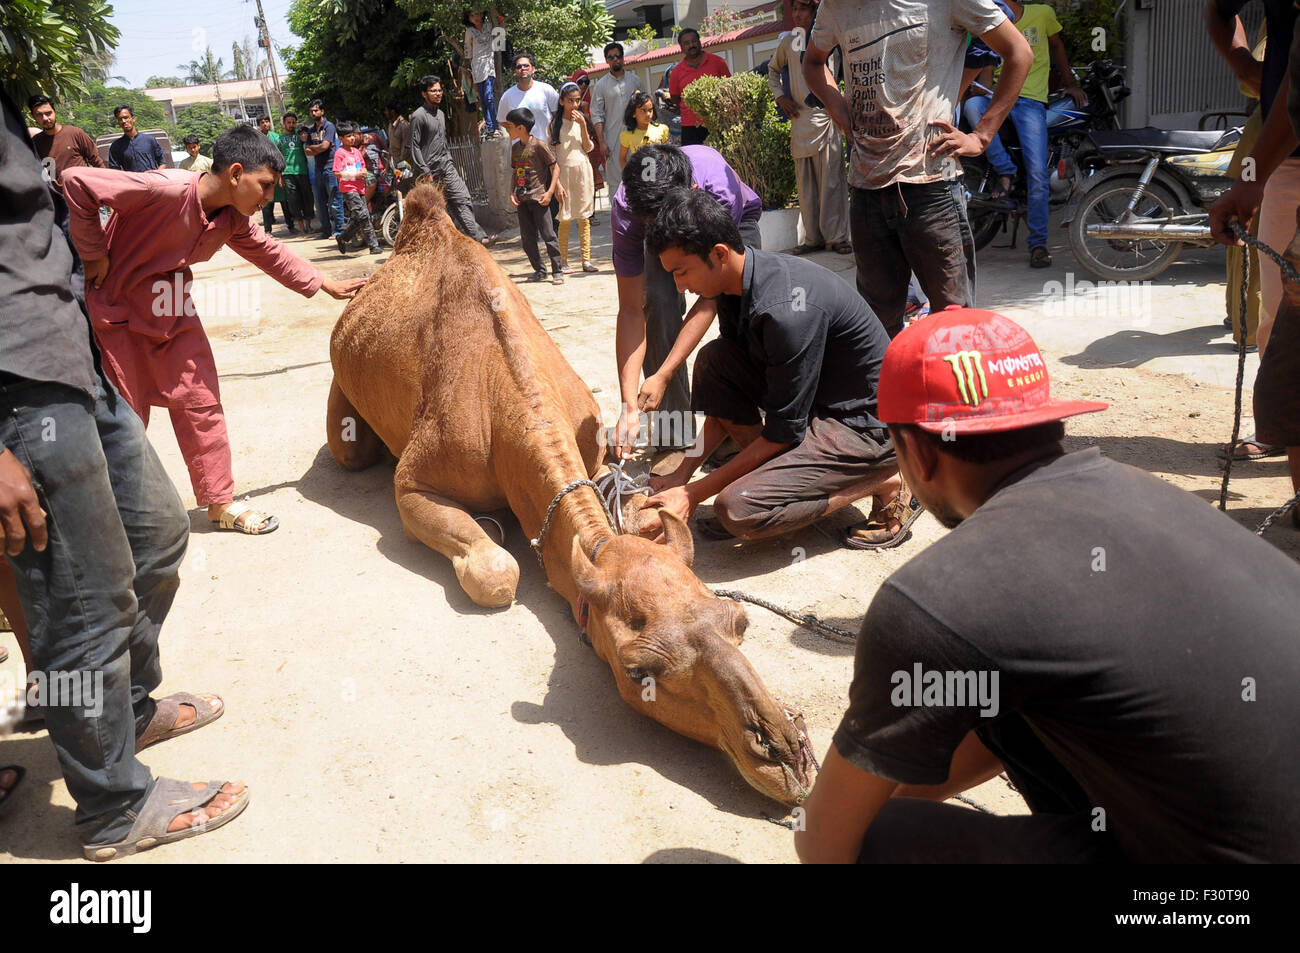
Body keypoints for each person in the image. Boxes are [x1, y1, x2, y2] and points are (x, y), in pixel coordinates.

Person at [793, 306, 1300, 863]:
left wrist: (855, 814)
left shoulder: (945, 596)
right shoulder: (1147, 497)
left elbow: (823, 847)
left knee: (879, 842)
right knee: (1003, 695)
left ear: (915, 451)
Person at [1, 86, 249, 860]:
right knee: (85, 599)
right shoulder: (164, 186)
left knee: (158, 533)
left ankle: (129, 707)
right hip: (17, 384)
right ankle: (113, 805)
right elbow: (80, 188)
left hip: (70, 349)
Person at [61, 124, 367, 537]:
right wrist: (93, 251)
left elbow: (269, 250)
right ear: (236, 173)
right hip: (115, 309)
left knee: (201, 400)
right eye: (265, 186)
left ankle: (219, 502)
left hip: (170, 306)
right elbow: (76, 180)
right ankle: (112, 515)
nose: (269, 198)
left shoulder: (232, 219)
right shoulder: (163, 188)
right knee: (128, 415)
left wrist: (323, 283)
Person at [637, 189, 914, 547]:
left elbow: (782, 432)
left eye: (681, 271)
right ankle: (777, 483)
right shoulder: (735, 287)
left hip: (867, 426)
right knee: (715, 360)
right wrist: (683, 474)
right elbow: (727, 398)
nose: (680, 286)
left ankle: (887, 479)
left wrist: (695, 494)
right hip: (815, 406)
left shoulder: (785, 310)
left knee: (736, 509)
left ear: (719, 254)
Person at [803, 0, 1032, 337]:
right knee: (876, 326)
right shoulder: (835, 7)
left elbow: (1019, 52)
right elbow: (812, 62)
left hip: (932, 186)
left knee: (954, 324)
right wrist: (838, 107)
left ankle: (953, 392)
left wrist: (981, 135)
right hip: (866, 189)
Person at [611, 143, 762, 459]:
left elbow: (711, 298)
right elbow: (630, 310)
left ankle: (738, 429)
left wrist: (663, 373)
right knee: (658, 302)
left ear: (692, 190)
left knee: (739, 318)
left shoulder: (719, 190)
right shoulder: (629, 208)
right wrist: (628, 406)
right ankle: (674, 436)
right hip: (664, 221)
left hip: (726, 222)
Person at [1210, 13, 1300, 531]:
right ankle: (1279, 425)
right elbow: (1220, 10)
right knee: (1281, 307)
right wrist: (1242, 61)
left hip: (1276, 150)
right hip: (1285, 154)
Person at [962, 1, 1086, 268]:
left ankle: (1038, 244)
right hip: (997, 97)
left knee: (1038, 174)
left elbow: (1058, 47)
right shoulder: (992, 17)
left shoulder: (1042, 13)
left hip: (1030, 101)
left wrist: (1071, 84)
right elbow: (986, 62)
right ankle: (1005, 170)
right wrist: (980, 88)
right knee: (972, 105)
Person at [767, 0, 851, 256]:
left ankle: (837, 238)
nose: (797, 14)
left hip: (828, 118)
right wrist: (780, 97)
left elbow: (845, 71)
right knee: (805, 185)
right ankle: (812, 239)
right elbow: (772, 70)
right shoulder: (789, 40)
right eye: (795, 9)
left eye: (803, 8)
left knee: (833, 183)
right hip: (800, 121)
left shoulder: (830, 36)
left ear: (815, 12)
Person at [410, 74, 496, 246]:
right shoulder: (419, 116)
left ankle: (479, 238)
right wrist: (425, 170)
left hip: (446, 166)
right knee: (434, 211)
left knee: (462, 198)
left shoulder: (441, 114)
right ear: (424, 94)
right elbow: (414, 146)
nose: (438, 94)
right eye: (433, 91)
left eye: (440, 90)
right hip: (430, 172)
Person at [505, 108, 563, 285]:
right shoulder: (515, 148)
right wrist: (511, 192)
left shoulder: (539, 145)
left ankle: (557, 270)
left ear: (521, 128)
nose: (508, 130)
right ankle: (539, 270)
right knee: (528, 238)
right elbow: (515, 172)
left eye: (510, 126)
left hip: (539, 198)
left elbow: (555, 168)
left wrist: (550, 192)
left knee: (548, 235)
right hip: (522, 200)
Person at [551, 82, 597, 274]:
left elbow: (587, 147)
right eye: (570, 101)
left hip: (583, 173)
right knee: (565, 218)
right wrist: (557, 184)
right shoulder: (554, 124)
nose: (575, 105)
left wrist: (583, 125)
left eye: (577, 100)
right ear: (562, 101)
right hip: (564, 174)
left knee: (584, 217)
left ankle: (586, 260)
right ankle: (562, 260)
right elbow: (552, 155)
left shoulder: (582, 121)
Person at [591, 42, 639, 202]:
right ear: (606, 60)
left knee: (640, 178)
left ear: (623, 58)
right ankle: (618, 219)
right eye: (611, 57)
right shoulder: (601, 85)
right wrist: (602, 142)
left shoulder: (635, 81)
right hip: (613, 141)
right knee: (616, 182)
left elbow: (647, 106)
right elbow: (596, 115)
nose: (615, 60)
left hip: (637, 139)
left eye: (618, 56)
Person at [669, 28, 731, 146]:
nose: (691, 45)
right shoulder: (676, 72)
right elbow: (675, 98)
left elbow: (728, 88)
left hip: (716, 123)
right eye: (686, 43)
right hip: (690, 127)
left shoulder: (718, 63)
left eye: (694, 41)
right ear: (681, 48)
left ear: (699, 42)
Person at [27, 94, 103, 187]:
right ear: (33, 117)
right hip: (58, 198)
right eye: (39, 115)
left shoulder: (75, 133)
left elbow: (96, 161)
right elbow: (39, 174)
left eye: (48, 113)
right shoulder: (35, 143)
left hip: (84, 194)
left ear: (54, 111)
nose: (45, 118)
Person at [452, 8, 503, 139]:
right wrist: (471, 66)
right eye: (473, 15)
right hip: (477, 66)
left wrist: (497, 15)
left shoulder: (489, 25)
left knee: (489, 97)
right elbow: (467, 49)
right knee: (483, 98)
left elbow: (501, 28)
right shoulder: (469, 31)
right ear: (468, 18)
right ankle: (491, 127)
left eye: (479, 13)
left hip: (490, 64)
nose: (476, 17)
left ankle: (495, 126)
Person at [334, 122, 383, 255]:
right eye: (348, 136)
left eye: (352, 136)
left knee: (361, 216)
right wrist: (354, 175)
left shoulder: (356, 152)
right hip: (349, 189)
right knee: (363, 216)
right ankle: (374, 246)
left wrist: (363, 171)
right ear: (341, 139)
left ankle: (343, 237)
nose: (352, 138)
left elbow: (362, 166)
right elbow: (337, 172)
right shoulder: (340, 153)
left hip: (360, 187)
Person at [303, 98, 344, 242]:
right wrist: (318, 148)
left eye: (316, 110)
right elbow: (307, 151)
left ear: (322, 111)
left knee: (335, 201)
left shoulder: (329, 126)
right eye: (311, 111)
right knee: (320, 203)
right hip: (318, 169)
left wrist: (316, 148)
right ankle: (326, 231)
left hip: (331, 168)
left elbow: (325, 146)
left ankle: (339, 230)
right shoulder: (311, 130)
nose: (313, 113)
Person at [497, 51, 560, 143]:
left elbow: (558, 114)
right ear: (515, 72)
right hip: (521, 151)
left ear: (533, 69)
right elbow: (502, 120)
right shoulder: (507, 96)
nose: (523, 68)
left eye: (526, 65)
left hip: (545, 147)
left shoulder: (546, 90)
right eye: (519, 66)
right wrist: (517, 133)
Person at [277, 112, 315, 235]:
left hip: (303, 171)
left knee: (307, 198)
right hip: (287, 173)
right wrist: (279, 177)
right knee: (293, 201)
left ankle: (308, 226)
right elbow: (277, 159)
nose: (291, 125)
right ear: (284, 124)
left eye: (293, 122)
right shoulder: (279, 139)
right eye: (289, 122)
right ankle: (301, 227)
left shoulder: (301, 137)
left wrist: (305, 141)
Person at [618, 91, 669, 170]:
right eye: (643, 110)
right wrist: (628, 177)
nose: (648, 114)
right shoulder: (627, 135)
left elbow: (668, 153)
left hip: (659, 176)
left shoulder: (662, 129)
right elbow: (622, 159)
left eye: (650, 110)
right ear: (633, 114)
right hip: (639, 177)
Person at [107, 104, 167, 171]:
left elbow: (162, 162)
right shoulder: (116, 146)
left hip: (152, 179)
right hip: (132, 181)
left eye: (126, 117)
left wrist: (156, 175)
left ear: (133, 119)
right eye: (120, 119)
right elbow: (115, 170)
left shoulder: (150, 140)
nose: (123, 121)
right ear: (118, 122)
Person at [385, 101, 411, 167]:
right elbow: (391, 147)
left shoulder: (404, 126)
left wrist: (401, 164)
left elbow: (406, 148)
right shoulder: (390, 125)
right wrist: (387, 165)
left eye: (387, 111)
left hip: (404, 164)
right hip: (394, 163)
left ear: (392, 112)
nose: (385, 113)